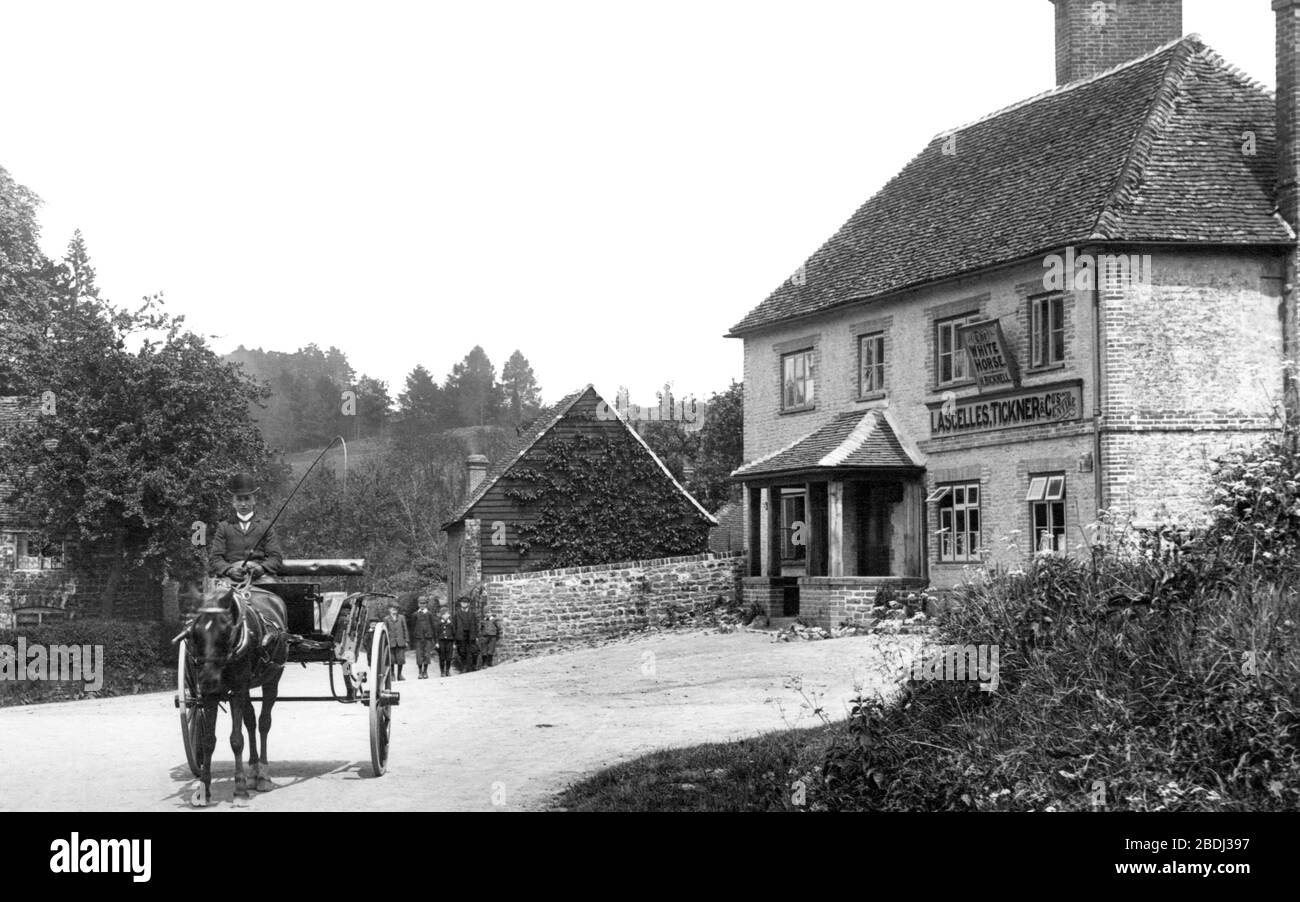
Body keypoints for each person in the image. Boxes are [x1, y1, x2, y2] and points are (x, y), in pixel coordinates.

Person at [208, 473, 283, 583]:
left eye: (247, 499)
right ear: (233, 502)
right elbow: (215, 558)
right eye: (239, 499)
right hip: (230, 579)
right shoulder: (224, 527)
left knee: (273, 595)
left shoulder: (265, 526)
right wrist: (229, 570)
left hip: (260, 578)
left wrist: (262, 568)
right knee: (217, 597)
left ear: (254, 500)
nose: (243, 504)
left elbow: (276, 557)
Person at [412, 596, 437, 679]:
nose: (422, 605)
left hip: (427, 637)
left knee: (427, 654)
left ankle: (425, 671)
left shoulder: (429, 614)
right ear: (418, 604)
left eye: (424, 603)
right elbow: (412, 627)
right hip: (418, 638)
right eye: (420, 603)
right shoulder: (415, 614)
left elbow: (433, 626)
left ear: (426, 604)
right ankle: (419, 672)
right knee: (419, 655)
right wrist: (414, 637)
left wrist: (434, 638)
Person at [452, 597, 479, 673]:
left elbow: (476, 625)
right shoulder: (457, 614)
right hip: (461, 635)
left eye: (466, 603)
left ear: (468, 604)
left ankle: (474, 666)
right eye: (463, 602)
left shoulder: (472, 613)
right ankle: (463, 667)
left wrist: (476, 636)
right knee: (462, 651)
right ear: (460, 603)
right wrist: (455, 637)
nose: (464, 604)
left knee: (474, 651)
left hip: (471, 634)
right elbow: (454, 626)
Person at [385, 603, 410, 681]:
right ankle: (392, 674)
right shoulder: (386, 619)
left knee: (401, 659)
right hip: (391, 642)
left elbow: (405, 629)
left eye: (395, 608)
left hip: (400, 641)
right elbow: (385, 631)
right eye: (392, 608)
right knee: (391, 659)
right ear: (389, 609)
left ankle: (399, 674)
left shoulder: (402, 618)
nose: (394, 610)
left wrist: (406, 640)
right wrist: (386, 642)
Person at [434, 604, 456, 677]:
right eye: (446, 614)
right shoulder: (439, 623)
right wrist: (437, 642)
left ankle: (447, 671)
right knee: (442, 657)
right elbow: (436, 633)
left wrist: (454, 643)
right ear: (442, 615)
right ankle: (442, 671)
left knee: (449, 657)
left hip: (449, 641)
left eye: (448, 614)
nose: (448, 615)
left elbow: (454, 633)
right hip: (441, 642)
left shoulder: (451, 623)